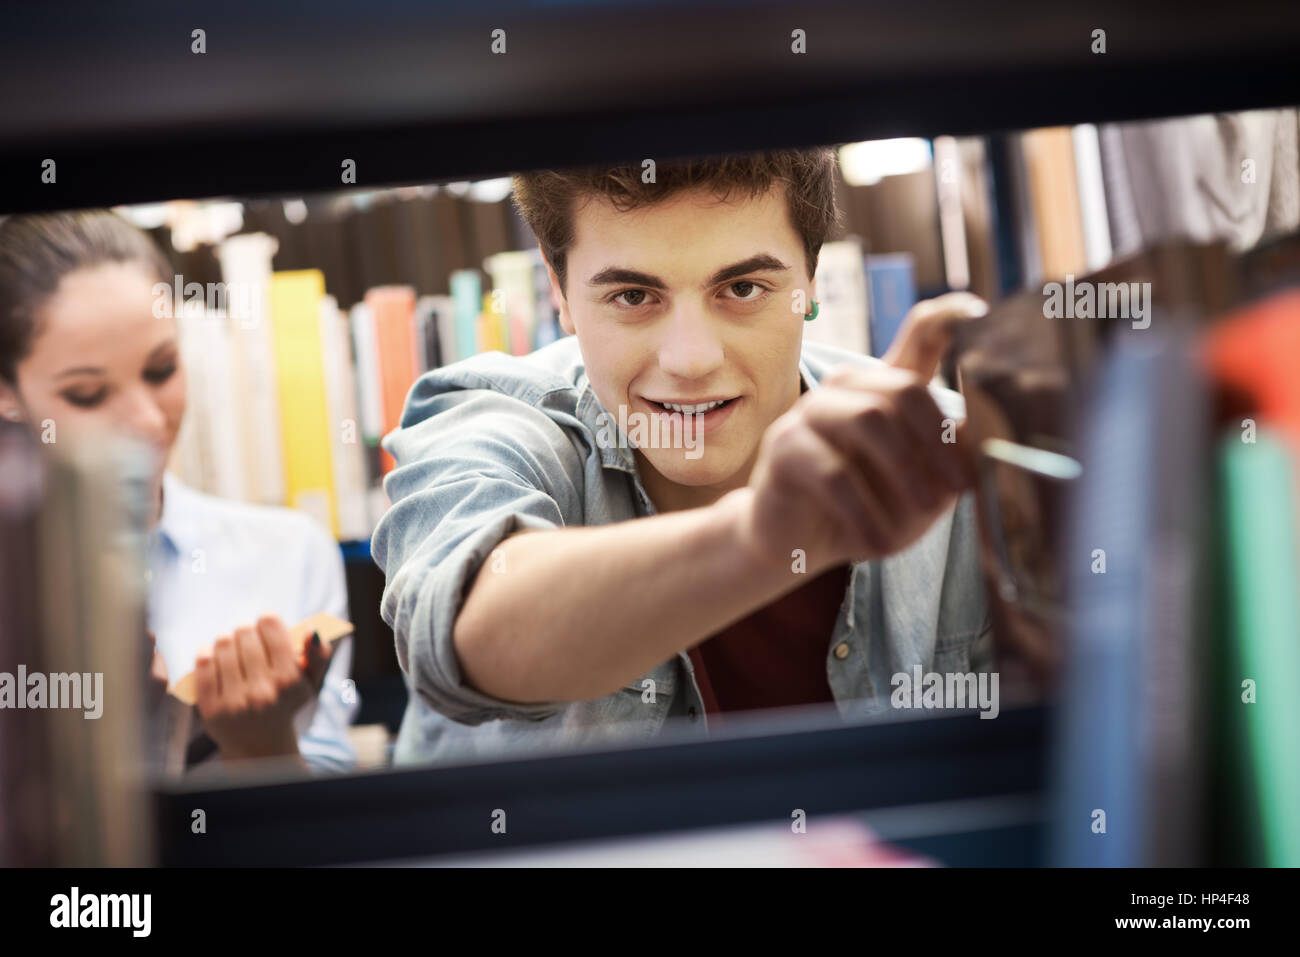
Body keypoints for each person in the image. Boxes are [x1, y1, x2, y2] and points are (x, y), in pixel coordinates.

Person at [372, 147, 994, 766]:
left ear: (810, 279)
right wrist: (763, 540)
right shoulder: (486, 415)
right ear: (558, 288)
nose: (691, 359)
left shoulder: (946, 451)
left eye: (743, 287)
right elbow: (468, 629)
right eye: (634, 297)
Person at [0, 210, 358, 772]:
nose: (145, 421)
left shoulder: (290, 554)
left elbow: (329, 828)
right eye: (88, 395)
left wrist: (262, 749)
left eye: (162, 369)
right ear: (8, 397)